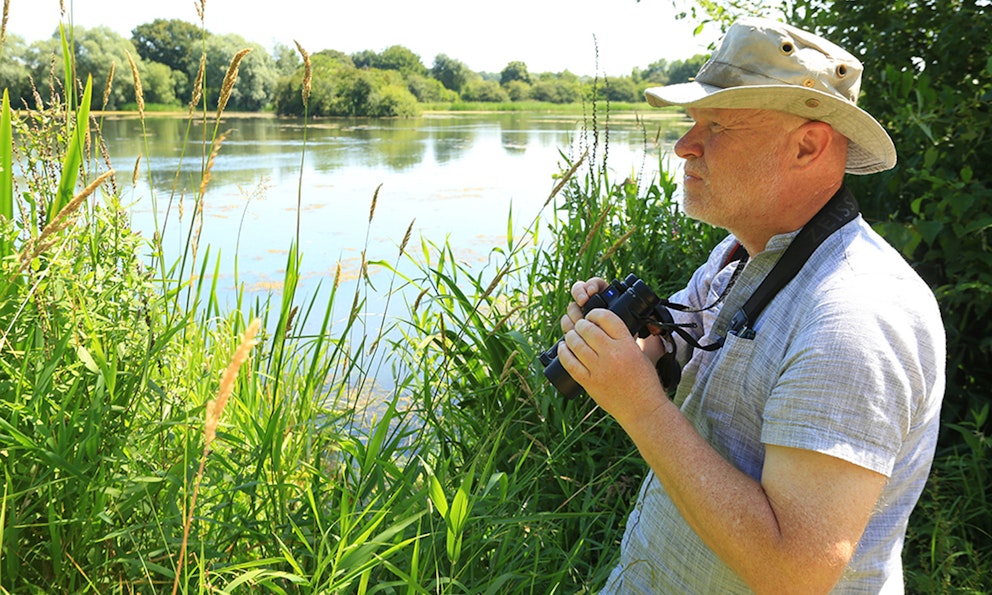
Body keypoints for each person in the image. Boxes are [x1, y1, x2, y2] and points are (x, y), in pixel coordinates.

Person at [554, 16, 945, 593]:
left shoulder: (854, 317)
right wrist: (626, 350)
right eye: (693, 122)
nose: (684, 146)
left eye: (717, 125)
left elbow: (794, 572)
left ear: (807, 146)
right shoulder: (741, 253)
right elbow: (682, 352)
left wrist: (639, 406)